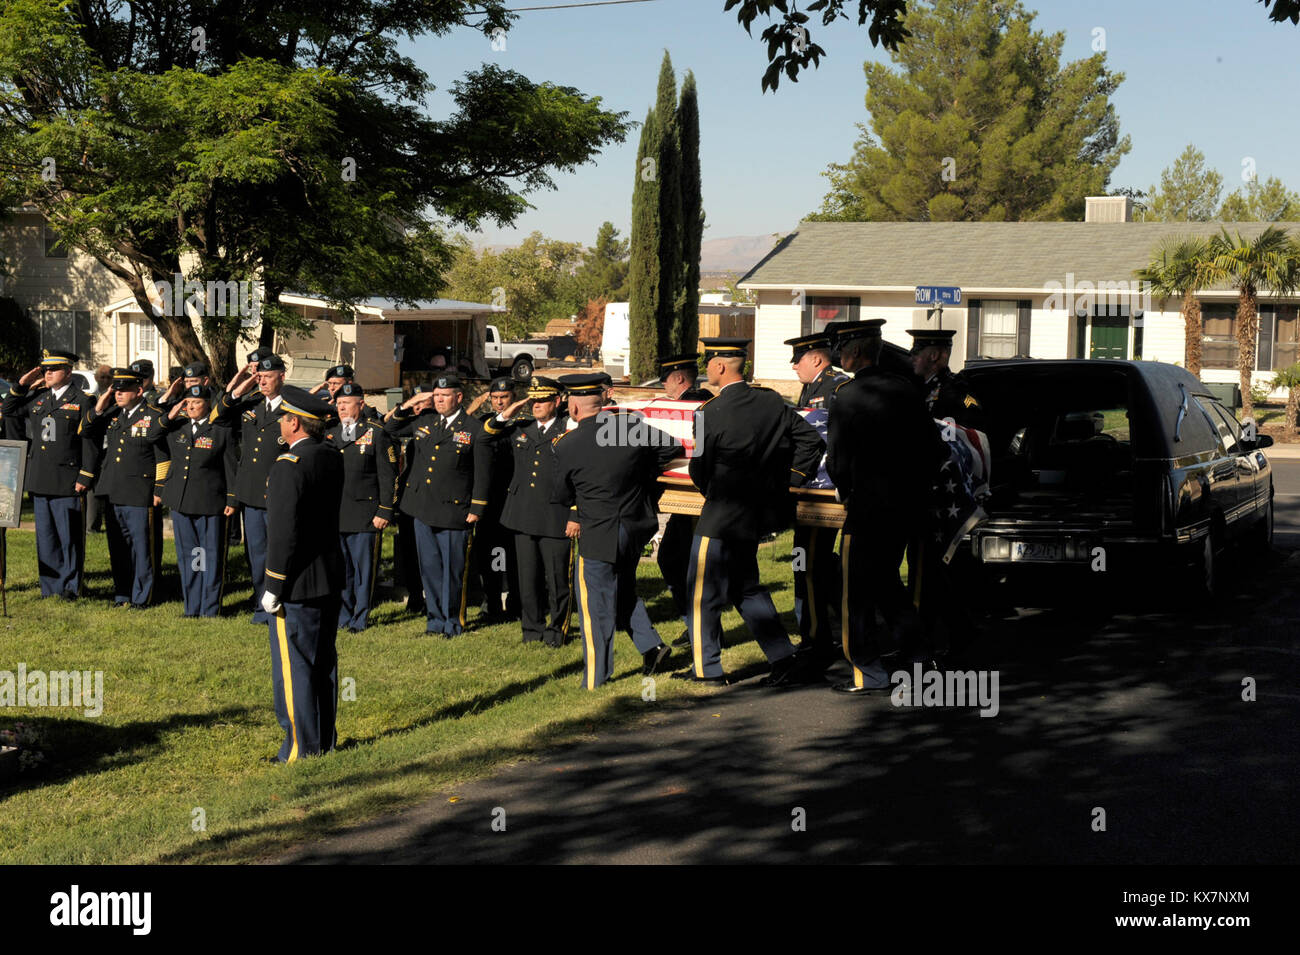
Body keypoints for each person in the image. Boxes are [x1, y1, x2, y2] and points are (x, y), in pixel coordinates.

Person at [674, 338, 825, 687]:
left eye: (709, 363)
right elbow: (811, 441)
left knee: (703, 591)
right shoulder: (772, 402)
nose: (706, 369)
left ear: (721, 367)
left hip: (720, 514)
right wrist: (788, 482)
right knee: (746, 587)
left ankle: (706, 669)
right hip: (754, 514)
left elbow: (699, 469)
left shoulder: (711, 412)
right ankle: (783, 658)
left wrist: (711, 491)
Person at [824, 321, 949, 694]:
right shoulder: (905, 390)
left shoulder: (847, 395)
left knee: (856, 594)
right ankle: (920, 657)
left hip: (867, 510)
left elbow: (838, 462)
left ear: (856, 353)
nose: (839, 356)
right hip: (907, 506)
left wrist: (847, 492)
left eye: (843, 349)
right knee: (887, 585)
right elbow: (933, 448)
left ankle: (867, 671)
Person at [551, 374, 677, 688]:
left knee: (595, 607)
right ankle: (652, 647)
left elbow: (560, 495)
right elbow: (670, 449)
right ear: (602, 400)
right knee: (622, 590)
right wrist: (641, 478)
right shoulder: (628, 428)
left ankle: (596, 677)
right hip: (635, 527)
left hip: (598, 533)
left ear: (575, 407)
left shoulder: (567, 445)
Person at [260, 386, 345, 763]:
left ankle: (299, 748)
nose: (280, 422)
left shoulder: (288, 466)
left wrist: (273, 583)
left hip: (296, 581)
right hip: (328, 574)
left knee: (294, 670)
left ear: (294, 423)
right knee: (322, 662)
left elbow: (284, 532)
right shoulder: (331, 456)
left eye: (283, 417)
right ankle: (324, 739)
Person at [384, 373, 490, 637]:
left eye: (444, 396)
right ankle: (434, 620)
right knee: (429, 568)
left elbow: (482, 473)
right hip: (421, 509)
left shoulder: (473, 429)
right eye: (436, 396)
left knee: (453, 571)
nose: (439, 400)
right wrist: (409, 404)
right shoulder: (426, 421)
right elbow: (390, 429)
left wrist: (476, 508)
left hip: (455, 510)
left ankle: (453, 621)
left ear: (459, 397)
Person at [1, 350, 99, 599]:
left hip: (68, 478)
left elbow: (90, 441)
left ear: (67, 372)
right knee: (45, 538)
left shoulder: (82, 400)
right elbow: (10, 409)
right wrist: (21, 384)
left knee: (69, 537)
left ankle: (70, 587)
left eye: (53, 370)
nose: (47, 373)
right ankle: (50, 587)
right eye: (45, 370)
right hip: (41, 478)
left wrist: (85, 475)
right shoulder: (40, 398)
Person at [483, 376, 572, 646]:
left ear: (556, 401)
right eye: (533, 399)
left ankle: (557, 630)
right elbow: (485, 436)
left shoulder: (567, 430)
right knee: (527, 577)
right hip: (522, 515)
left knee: (557, 580)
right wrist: (512, 409)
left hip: (555, 515)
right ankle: (531, 629)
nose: (536, 404)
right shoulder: (520, 429)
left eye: (542, 400)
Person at [785, 331, 852, 668]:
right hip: (809, 494)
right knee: (809, 564)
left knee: (810, 565)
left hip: (824, 497)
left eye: (798, 360)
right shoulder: (812, 387)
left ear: (815, 359)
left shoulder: (838, 389)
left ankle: (815, 639)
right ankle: (819, 630)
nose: (793, 366)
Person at [214, 352, 293, 624]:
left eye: (268, 377)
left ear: (282, 376)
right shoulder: (252, 405)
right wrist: (246, 381)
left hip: (280, 494)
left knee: (279, 552)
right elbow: (220, 414)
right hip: (250, 492)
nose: (263, 382)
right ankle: (262, 606)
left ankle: (282, 603)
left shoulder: (293, 407)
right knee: (256, 554)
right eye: (259, 377)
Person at [86, 368, 166, 608]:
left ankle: (144, 596)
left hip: (139, 491)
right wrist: (101, 404)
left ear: (139, 391)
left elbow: (163, 456)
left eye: (123, 390)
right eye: (115, 390)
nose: (118, 394)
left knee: (142, 548)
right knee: (118, 547)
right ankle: (122, 593)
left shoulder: (153, 415)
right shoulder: (112, 414)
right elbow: (86, 430)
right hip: (113, 490)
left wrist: (159, 489)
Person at [155, 385, 237, 617]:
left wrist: (232, 499)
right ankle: (191, 607)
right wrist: (172, 412)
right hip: (181, 501)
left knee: (209, 556)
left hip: (210, 503)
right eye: (187, 403)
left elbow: (231, 468)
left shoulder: (220, 431)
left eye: (196, 403)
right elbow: (153, 434)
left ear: (207, 405)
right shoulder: (176, 429)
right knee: (190, 556)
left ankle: (210, 608)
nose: (190, 407)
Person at [650, 353, 712, 648]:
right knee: (675, 558)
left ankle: (701, 627)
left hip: (695, 497)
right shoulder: (699, 401)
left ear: (678, 378)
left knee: (683, 561)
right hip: (686, 499)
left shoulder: (695, 402)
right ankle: (696, 624)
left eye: (665, 381)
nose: (664, 387)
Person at [325, 383, 396, 633]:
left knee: (364, 569)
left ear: (361, 405)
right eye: (339, 404)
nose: (342, 408)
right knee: (341, 569)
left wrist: (385, 510)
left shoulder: (376, 433)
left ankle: (361, 615)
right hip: (338, 513)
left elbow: (388, 476)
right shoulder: (331, 434)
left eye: (347, 403)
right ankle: (344, 613)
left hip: (366, 515)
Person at [469, 377, 521, 623]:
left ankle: (515, 603)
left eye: (504, 398)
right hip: (489, 502)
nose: (499, 402)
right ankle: (490, 603)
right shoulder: (482, 423)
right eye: (495, 399)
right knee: (488, 555)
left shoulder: (524, 425)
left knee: (514, 556)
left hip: (515, 499)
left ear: (514, 398)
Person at [906, 329, 987, 432]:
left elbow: (961, 440)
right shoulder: (920, 387)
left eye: (916, 353)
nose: (911, 359)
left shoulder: (955, 393)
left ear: (933, 356)